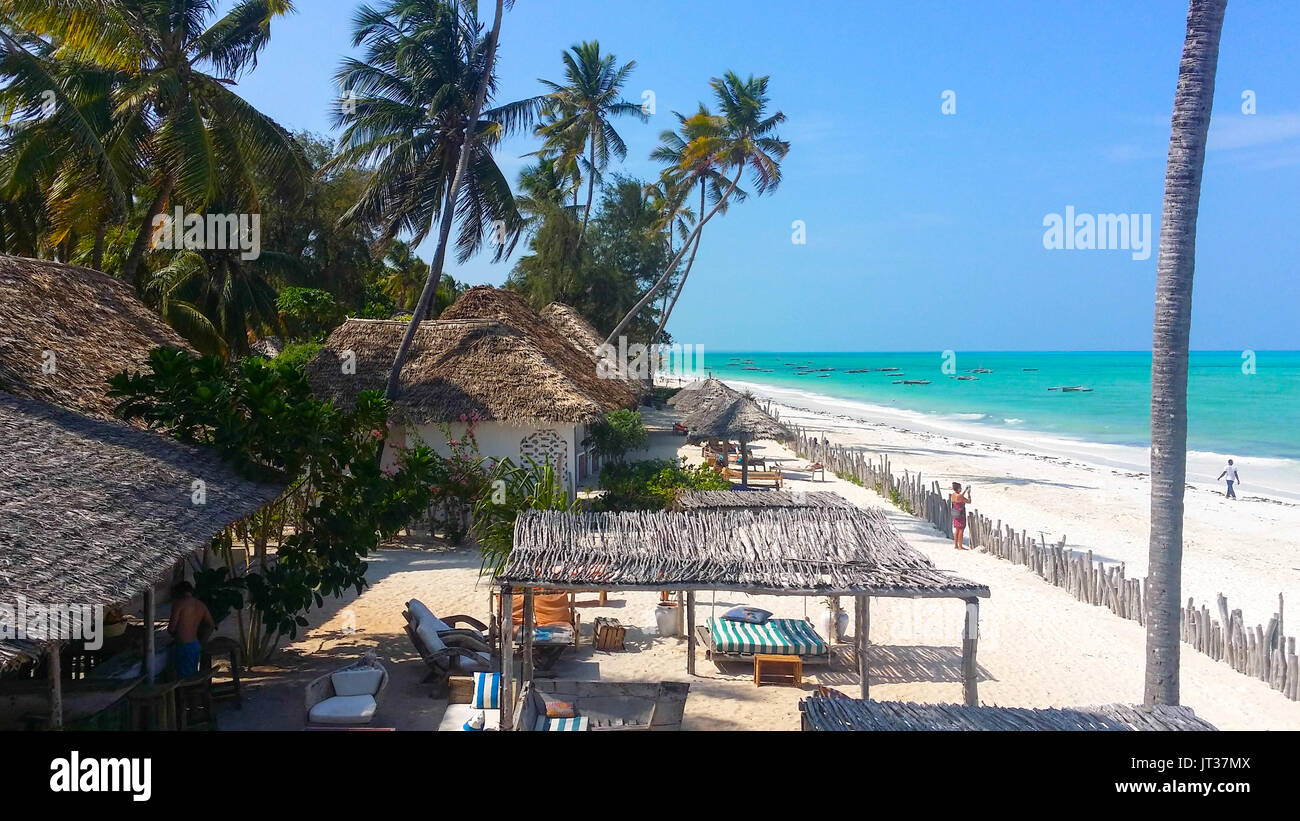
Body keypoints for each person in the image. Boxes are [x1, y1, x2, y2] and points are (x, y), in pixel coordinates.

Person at [167, 581, 214, 677]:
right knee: (192, 674)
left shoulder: (179, 604)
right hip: (195, 644)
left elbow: (171, 628)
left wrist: (175, 636)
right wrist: (203, 640)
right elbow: (211, 625)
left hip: (183, 645)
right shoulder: (201, 605)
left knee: (184, 678)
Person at [950, 482, 972, 549]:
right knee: (961, 530)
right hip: (961, 514)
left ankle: (956, 545)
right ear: (958, 488)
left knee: (957, 529)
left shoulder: (953, 495)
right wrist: (969, 494)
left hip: (955, 513)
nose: (961, 489)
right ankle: (960, 546)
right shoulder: (960, 496)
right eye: (960, 488)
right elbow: (969, 501)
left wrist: (965, 490)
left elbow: (959, 497)